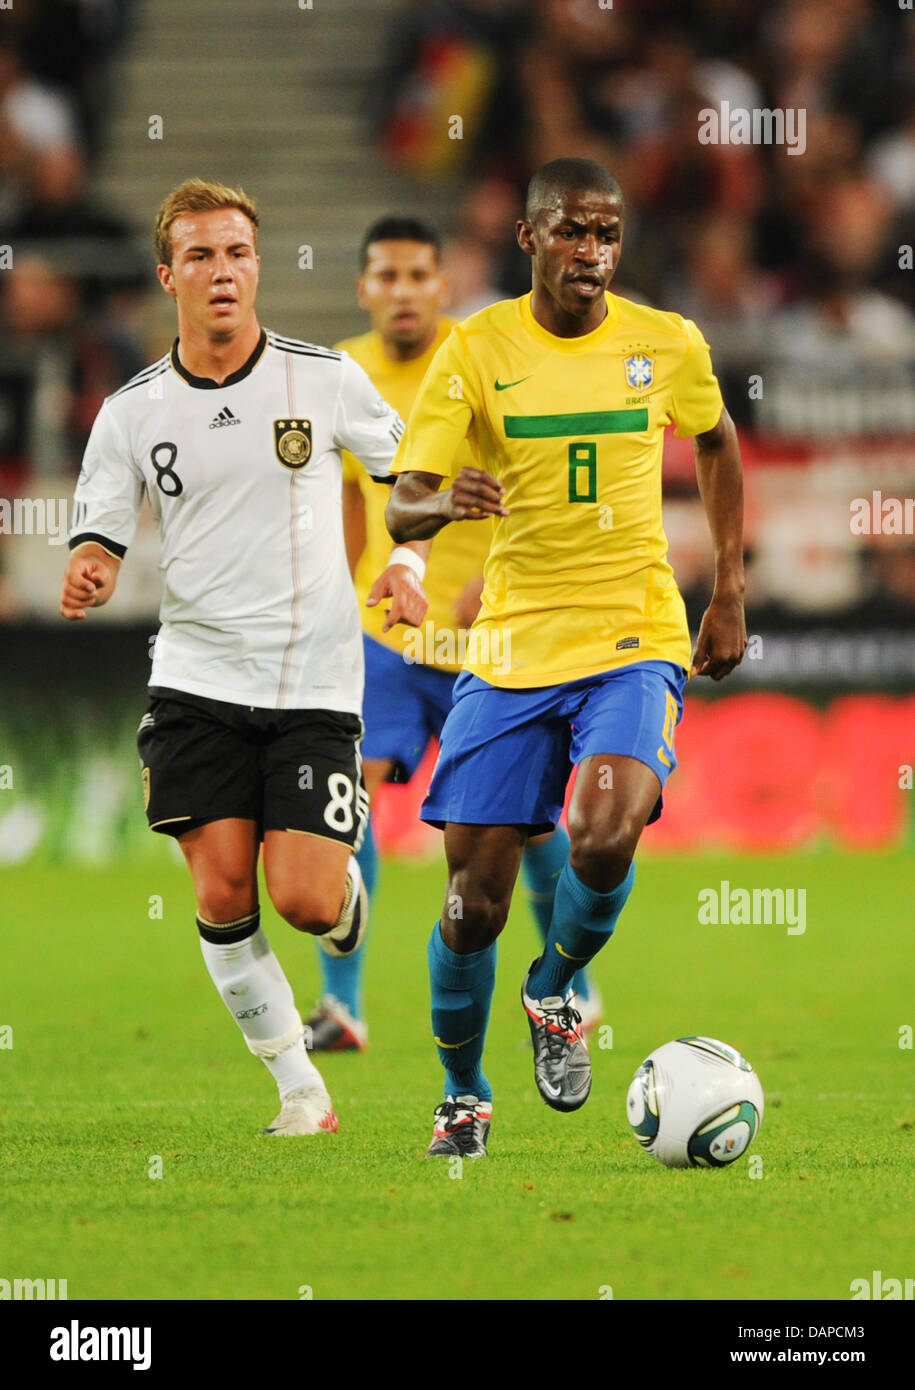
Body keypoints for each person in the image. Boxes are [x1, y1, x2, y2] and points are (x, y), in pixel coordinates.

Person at [386, 157, 747, 1158]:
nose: (592, 252)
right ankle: (462, 1093)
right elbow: (402, 498)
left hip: (634, 630)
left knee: (605, 828)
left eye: (607, 233)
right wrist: (439, 500)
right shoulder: (476, 349)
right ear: (528, 237)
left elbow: (717, 443)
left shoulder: (665, 343)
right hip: (511, 646)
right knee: (471, 905)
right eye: (572, 232)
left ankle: (554, 985)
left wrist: (730, 589)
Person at [59, 179, 427, 1137]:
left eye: (236, 254)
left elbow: (408, 480)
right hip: (196, 679)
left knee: (303, 901)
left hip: (312, 680)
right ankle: (299, 1091)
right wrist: (92, 570)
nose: (220, 273)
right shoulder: (130, 411)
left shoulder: (323, 378)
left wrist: (407, 560)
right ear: (166, 275)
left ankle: (341, 900)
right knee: (223, 893)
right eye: (200, 256)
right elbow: (99, 532)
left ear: (257, 266)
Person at [307, 215, 600, 1052]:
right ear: (364, 288)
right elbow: (349, 504)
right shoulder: (338, 372)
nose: (401, 292)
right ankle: (343, 1006)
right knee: (346, 802)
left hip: (488, 634)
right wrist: (341, 592)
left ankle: (568, 981)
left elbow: (541, 479)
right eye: (385, 277)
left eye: (417, 276)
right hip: (387, 636)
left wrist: (494, 579)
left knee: (524, 826)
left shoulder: (483, 358)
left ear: (442, 284)